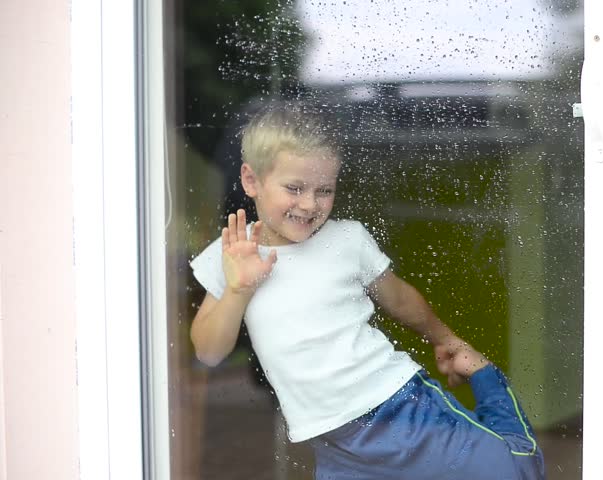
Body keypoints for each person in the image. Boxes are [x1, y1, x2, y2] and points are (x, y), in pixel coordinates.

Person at [189, 104, 545, 479]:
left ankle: (486, 377)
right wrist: (238, 289)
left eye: (324, 190)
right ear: (251, 180)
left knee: (514, 471)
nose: (310, 204)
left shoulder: (347, 239)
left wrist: (447, 341)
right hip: (333, 441)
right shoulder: (232, 254)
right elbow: (209, 353)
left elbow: (399, 299)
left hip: (398, 408)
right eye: (294, 188)